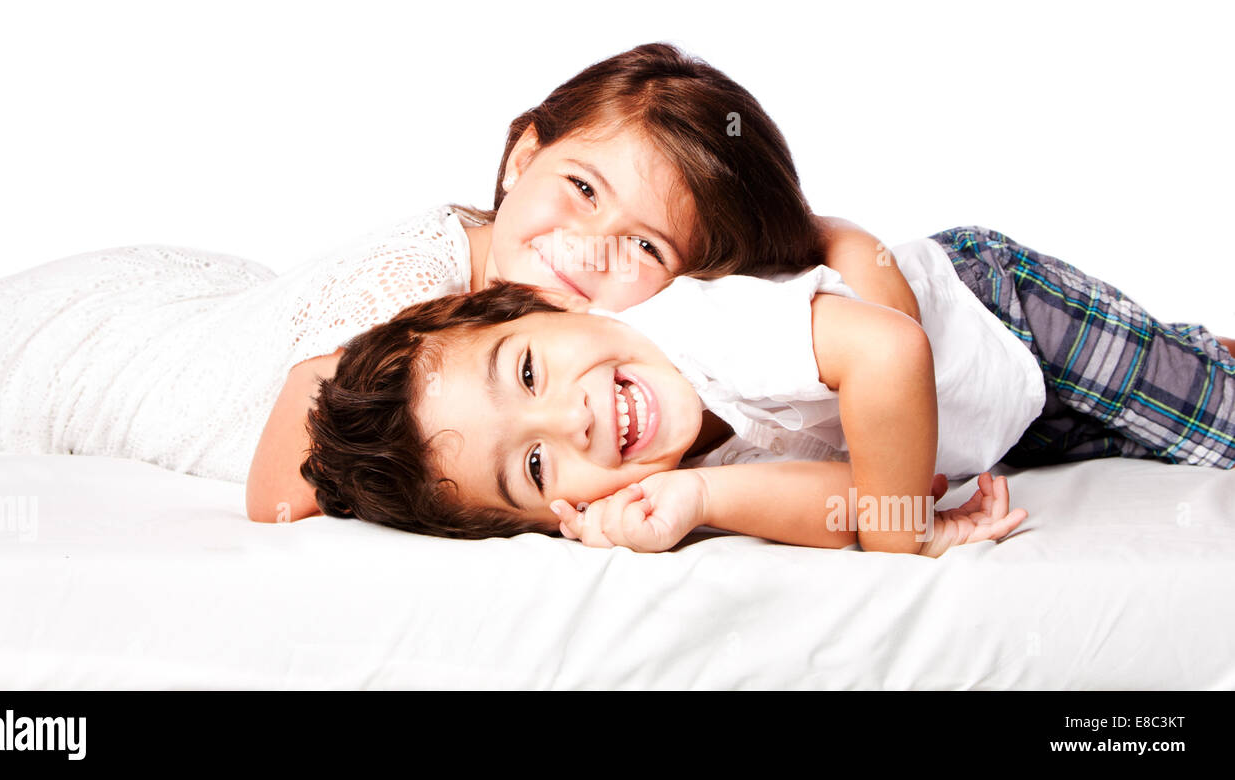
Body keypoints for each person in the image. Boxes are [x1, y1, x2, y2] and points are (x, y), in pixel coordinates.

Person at [0, 43, 920, 517]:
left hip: (224, 295)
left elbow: (884, 365)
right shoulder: (424, 277)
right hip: (92, 345)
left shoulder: (604, 362)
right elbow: (287, 473)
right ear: (519, 155)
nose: (589, 246)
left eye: (645, 246)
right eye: (578, 188)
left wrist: (831, 237)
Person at [298, 228, 1235, 556]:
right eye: (533, 465)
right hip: (988, 427)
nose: (571, 418)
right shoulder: (651, 480)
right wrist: (704, 496)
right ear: (549, 523)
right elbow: (844, 504)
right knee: (1165, 407)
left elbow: (889, 350)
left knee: (1212, 417)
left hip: (1002, 319)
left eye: (530, 372)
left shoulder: (701, 329)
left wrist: (908, 532)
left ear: (536, 305)